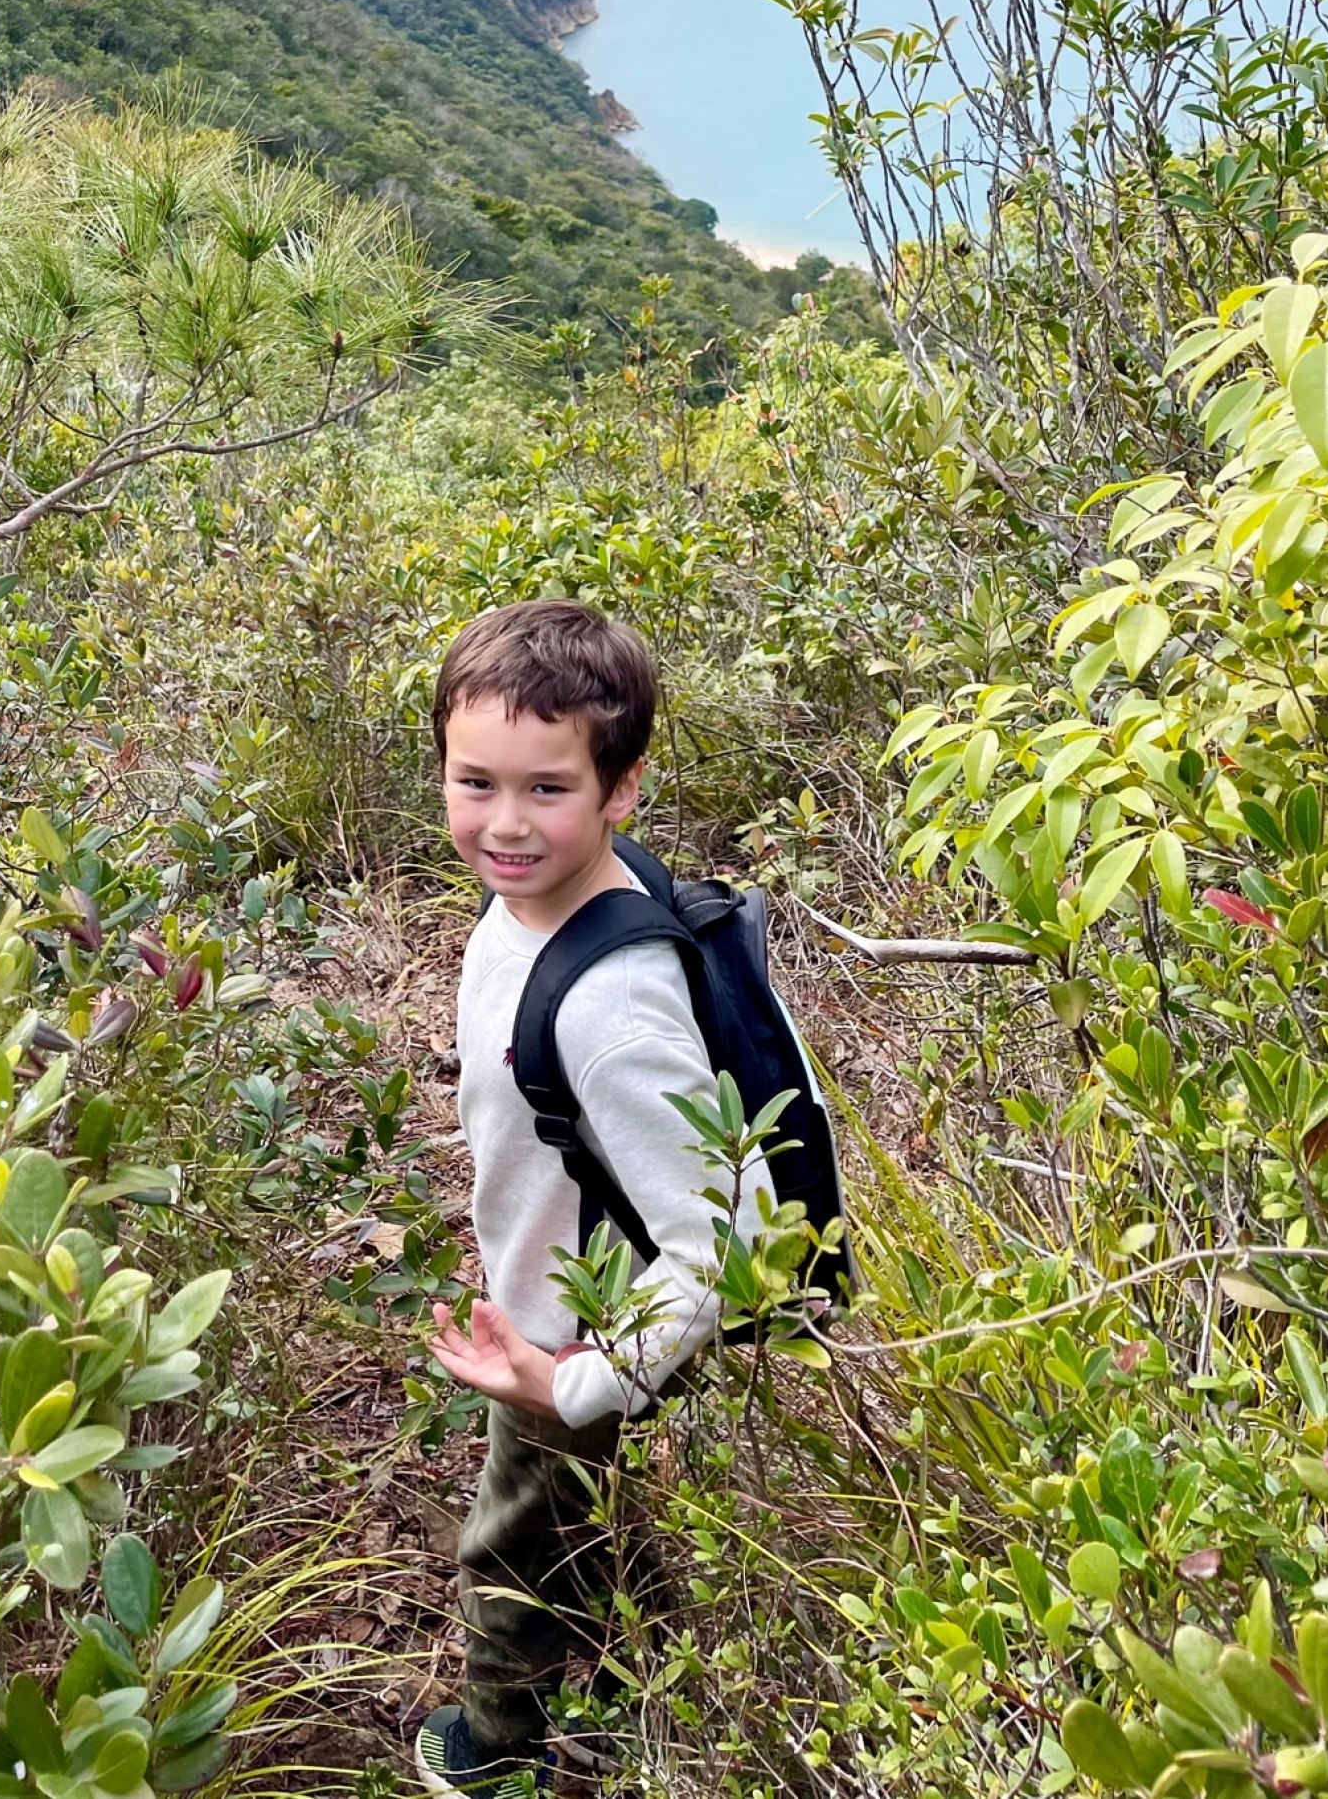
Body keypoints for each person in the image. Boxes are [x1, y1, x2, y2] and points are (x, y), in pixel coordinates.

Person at [413, 599, 766, 1798]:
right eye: (476, 781)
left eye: (547, 788)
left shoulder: (608, 1011)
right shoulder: (541, 894)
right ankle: (626, 1679)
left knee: (504, 1543)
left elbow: (726, 1238)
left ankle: (495, 1744)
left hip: (584, 1334)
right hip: (563, 1287)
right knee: (593, 1512)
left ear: (619, 787)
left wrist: (568, 1378)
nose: (504, 824)